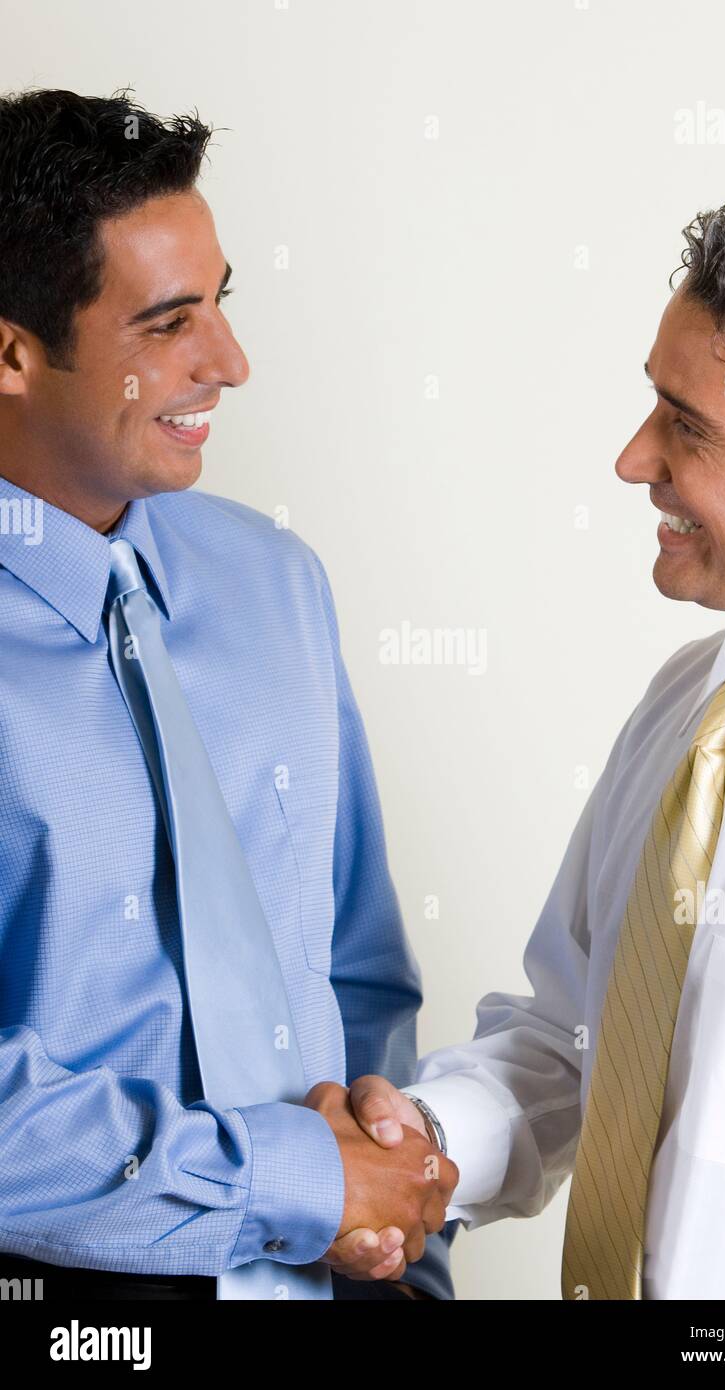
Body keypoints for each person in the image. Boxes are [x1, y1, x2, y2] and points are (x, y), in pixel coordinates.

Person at [346, 183, 725, 1300]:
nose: (633, 461)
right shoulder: (687, 705)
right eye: (651, 406)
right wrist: (420, 1140)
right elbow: (573, 1041)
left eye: (687, 427)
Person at [0, 86, 458, 1302]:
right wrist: (288, 1181)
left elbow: (355, 964)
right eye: (167, 323)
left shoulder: (274, 583)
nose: (230, 363)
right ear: (12, 351)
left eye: (222, 302)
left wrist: (396, 1222)